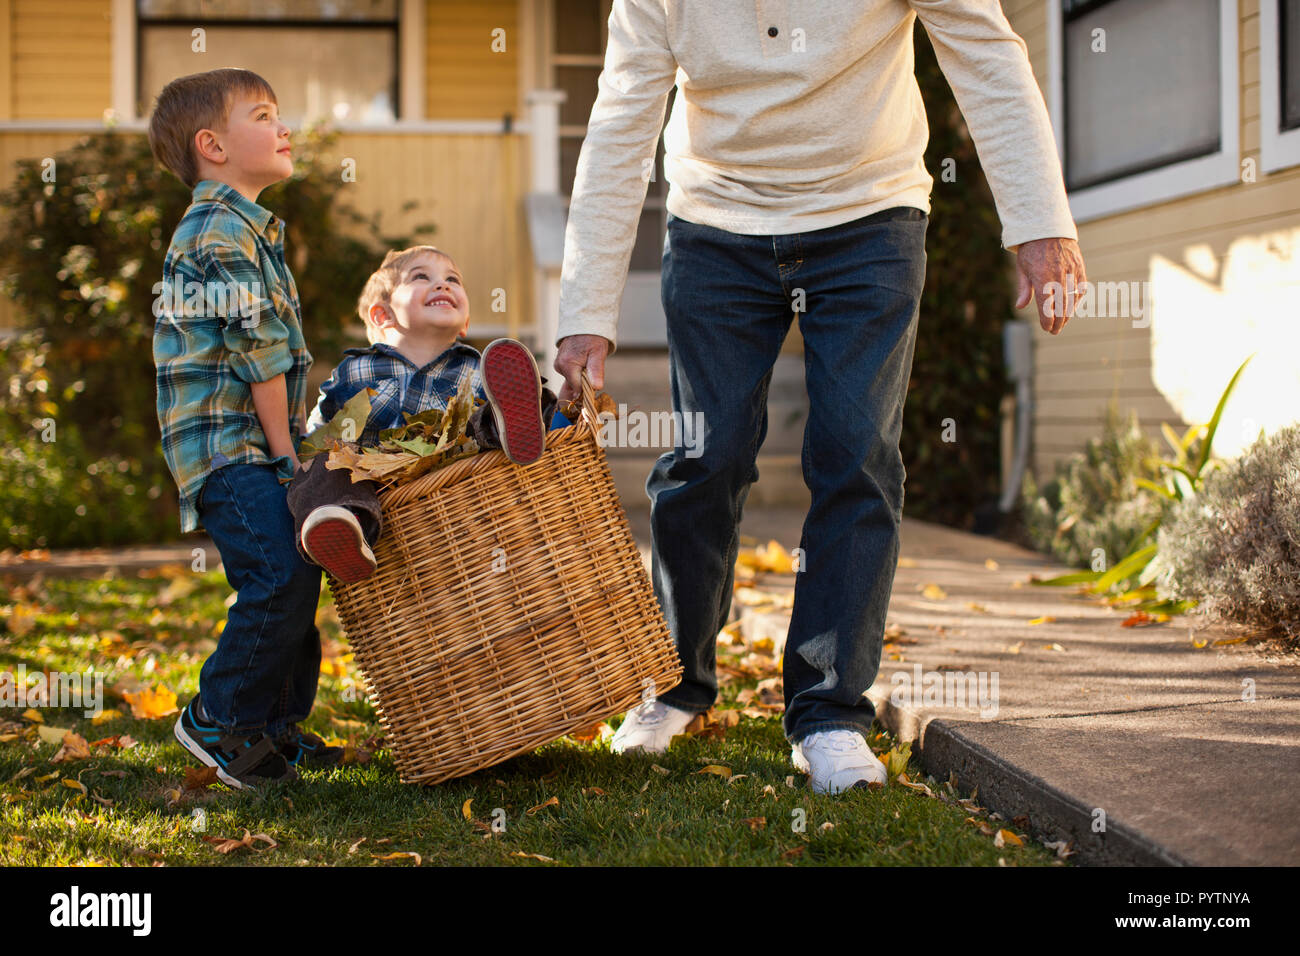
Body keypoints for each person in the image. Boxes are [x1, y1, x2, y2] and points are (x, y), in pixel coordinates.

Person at [551, 1, 1089, 793]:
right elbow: (622, 118)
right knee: (706, 455)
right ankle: (672, 683)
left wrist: (1039, 222)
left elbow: (987, 54)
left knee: (856, 453)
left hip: (869, 214)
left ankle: (829, 711)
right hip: (715, 223)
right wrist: (586, 314)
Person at [149, 68, 337, 788]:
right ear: (213, 145)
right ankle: (219, 720)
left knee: (293, 572)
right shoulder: (220, 230)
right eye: (264, 115)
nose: (284, 127)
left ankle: (274, 731)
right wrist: (289, 458)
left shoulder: (246, 228)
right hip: (229, 449)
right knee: (279, 573)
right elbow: (258, 356)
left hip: (251, 446)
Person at [290, 245, 571, 584]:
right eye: (422, 277)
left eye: (453, 279)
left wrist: (566, 415)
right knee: (321, 467)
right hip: (376, 483)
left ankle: (521, 424)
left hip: (455, 467)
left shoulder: (479, 368)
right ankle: (348, 531)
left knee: (486, 417)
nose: (443, 285)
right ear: (383, 316)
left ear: (465, 323)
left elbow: (559, 435)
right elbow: (320, 430)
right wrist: (308, 462)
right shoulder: (357, 369)